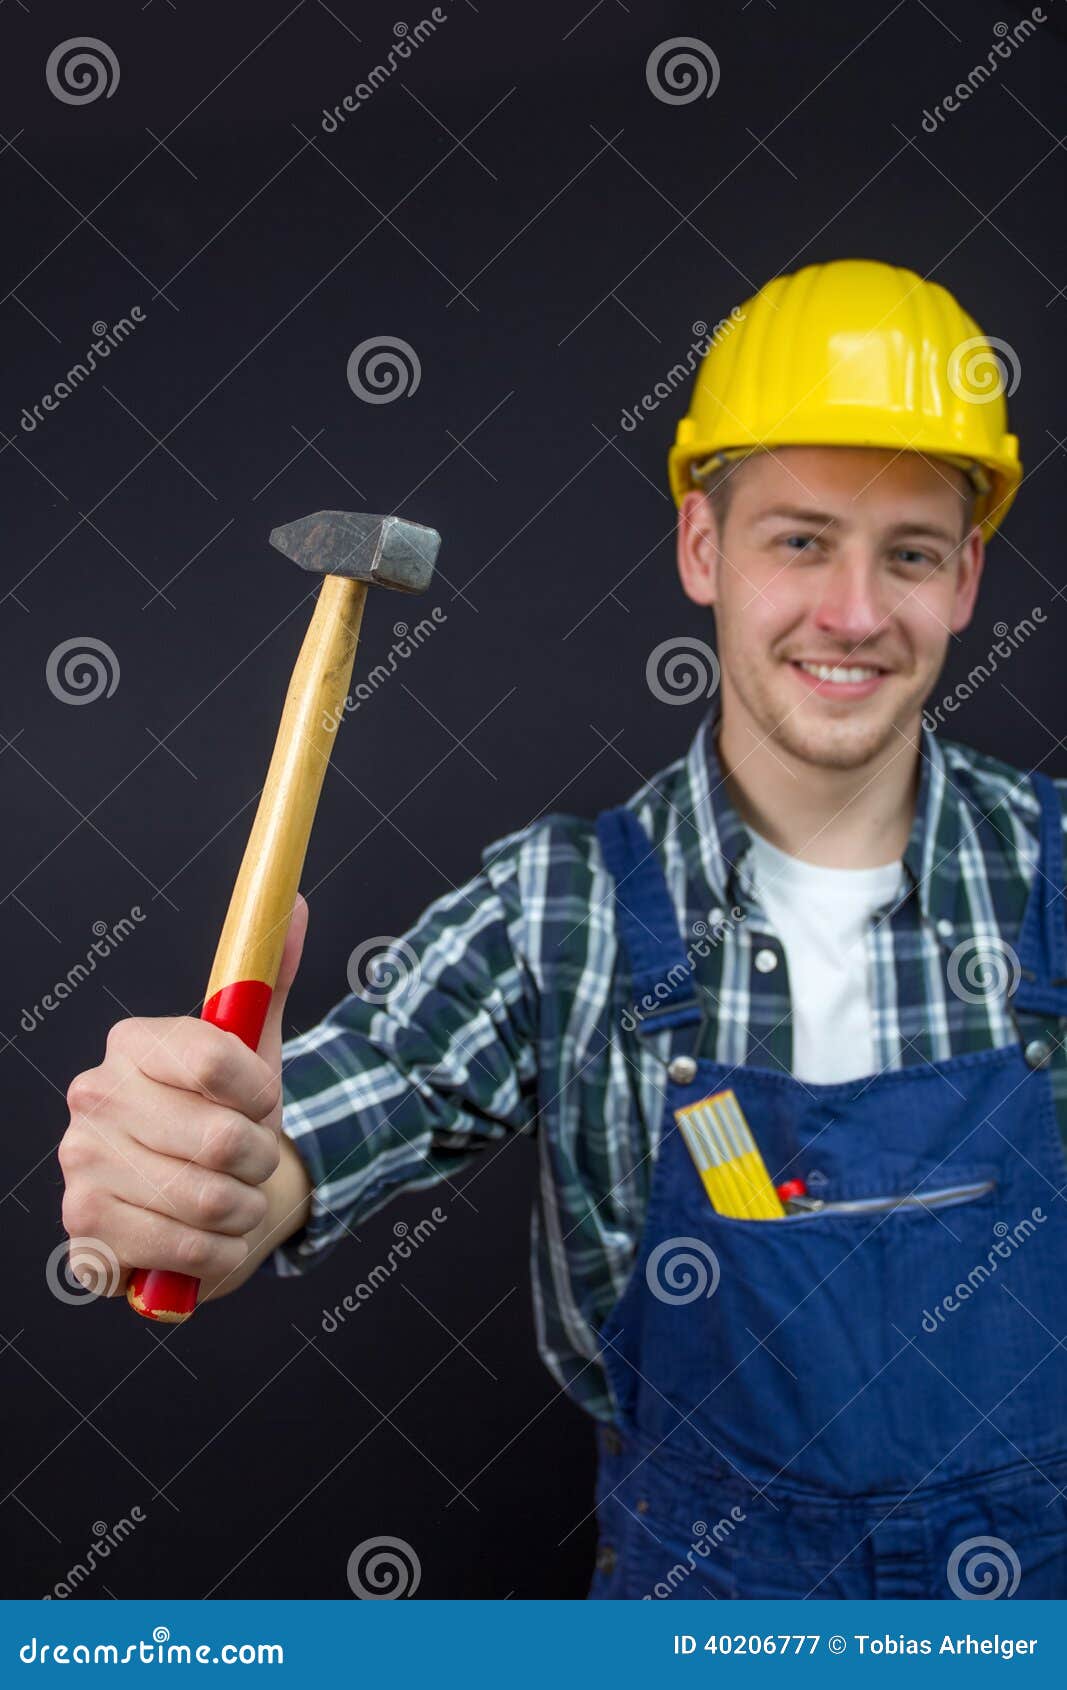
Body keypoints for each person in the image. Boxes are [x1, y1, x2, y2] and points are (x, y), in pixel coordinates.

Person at [59, 258, 1067, 1600]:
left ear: (968, 578)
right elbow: (311, 1121)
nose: (854, 613)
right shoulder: (564, 911)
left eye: (912, 554)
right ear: (702, 548)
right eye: (802, 539)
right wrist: (202, 1164)